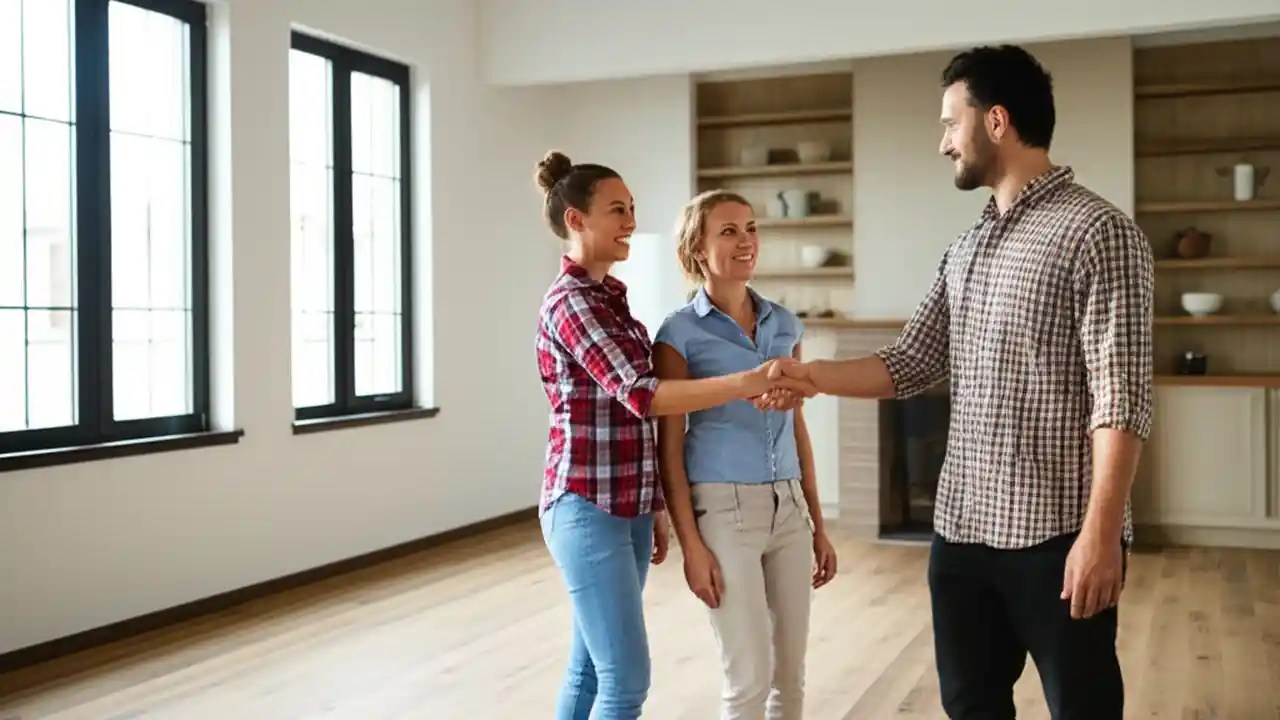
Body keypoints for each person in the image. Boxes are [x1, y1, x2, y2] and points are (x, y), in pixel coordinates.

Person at [767, 45, 1154, 719]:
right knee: (970, 705)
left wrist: (1101, 533)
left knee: (1085, 707)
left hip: (1058, 535)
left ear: (996, 121)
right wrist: (811, 377)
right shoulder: (967, 248)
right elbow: (911, 360)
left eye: (951, 122)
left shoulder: (1099, 232)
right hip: (962, 532)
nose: (944, 141)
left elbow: (1121, 399)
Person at [532, 151, 815, 720]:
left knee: (590, 669)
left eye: (633, 208)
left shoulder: (613, 302)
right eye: (617, 210)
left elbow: (641, 427)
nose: (631, 220)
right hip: (585, 504)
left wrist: (655, 506)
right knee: (624, 681)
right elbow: (645, 395)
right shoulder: (572, 305)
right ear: (575, 220)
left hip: (625, 506)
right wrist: (747, 381)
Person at [651, 190, 837, 720]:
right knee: (749, 677)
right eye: (728, 231)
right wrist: (692, 547)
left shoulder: (785, 324)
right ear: (697, 247)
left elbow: (796, 428)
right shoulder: (679, 333)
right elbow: (670, 451)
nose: (745, 241)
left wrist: (817, 523)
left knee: (790, 678)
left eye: (750, 228)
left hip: (789, 509)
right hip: (723, 511)